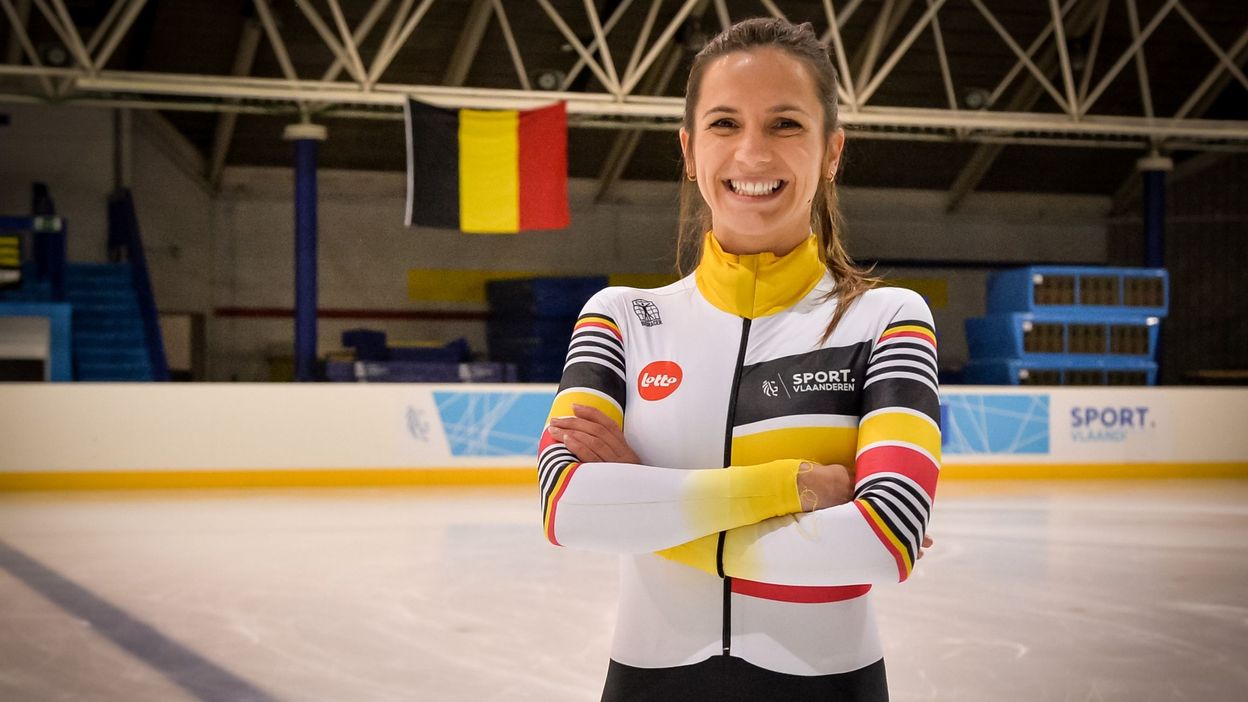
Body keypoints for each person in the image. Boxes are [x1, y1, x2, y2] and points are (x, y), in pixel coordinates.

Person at [536, 17, 940, 701]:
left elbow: (886, 535)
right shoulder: (621, 319)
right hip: (649, 681)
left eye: (785, 124)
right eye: (725, 124)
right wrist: (793, 487)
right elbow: (566, 509)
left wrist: (645, 498)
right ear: (690, 150)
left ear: (832, 150)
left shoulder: (887, 320)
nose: (752, 155)